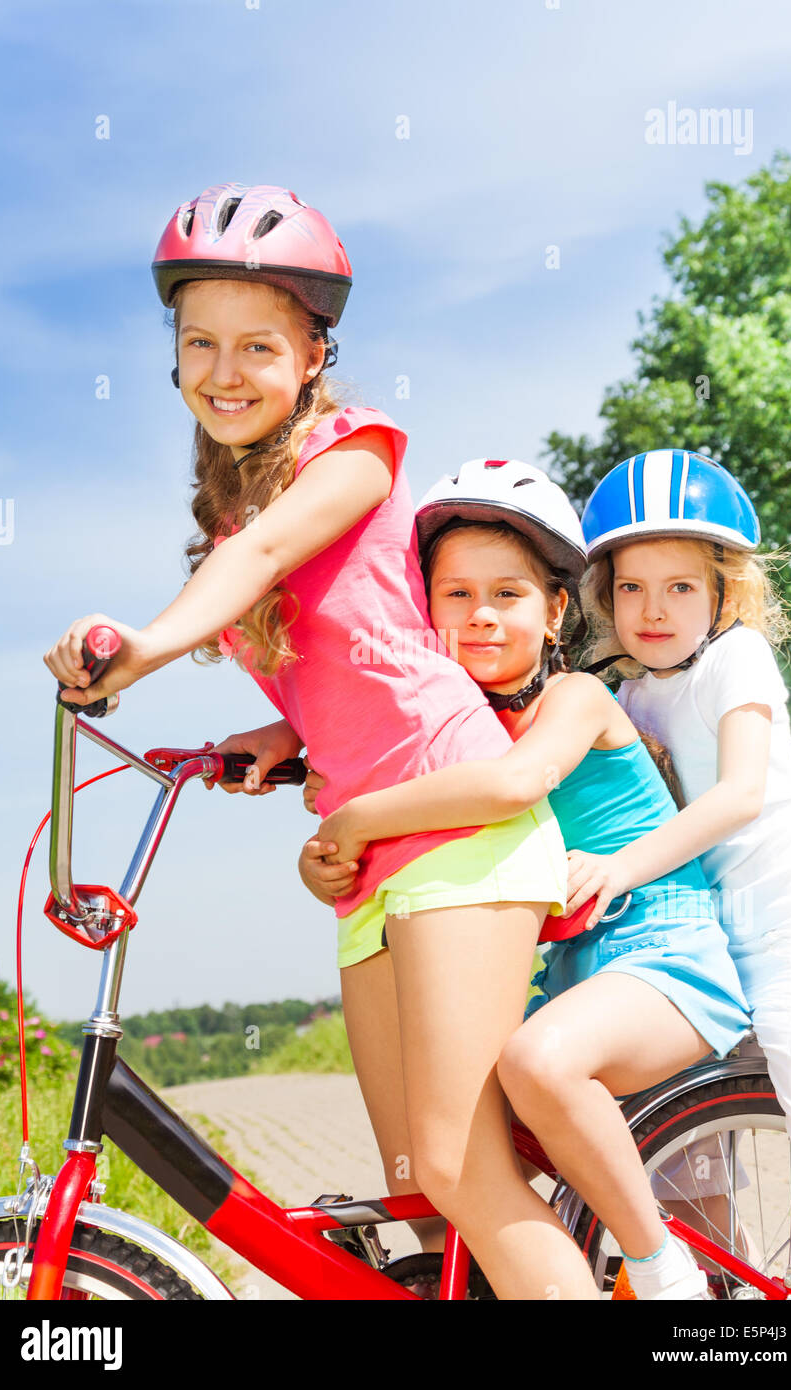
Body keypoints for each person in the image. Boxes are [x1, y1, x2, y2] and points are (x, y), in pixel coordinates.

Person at [42, 183, 599, 1300]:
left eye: (258, 343)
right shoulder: (230, 511)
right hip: (366, 874)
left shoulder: (356, 453)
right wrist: (274, 736)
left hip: (450, 823)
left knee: (458, 1166)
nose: (224, 370)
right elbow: (345, 659)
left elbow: (251, 574)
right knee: (412, 1189)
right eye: (198, 342)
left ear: (312, 352)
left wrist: (141, 647)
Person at [303, 457, 752, 1300]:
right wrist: (320, 836)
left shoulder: (578, 697)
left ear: (553, 614)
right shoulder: (454, 727)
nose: (480, 617)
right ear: (424, 613)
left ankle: (663, 1270)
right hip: (571, 978)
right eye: (456, 595)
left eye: (507, 596)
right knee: (453, 1148)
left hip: (664, 960)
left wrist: (356, 818)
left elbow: (513, 784)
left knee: (535, 1064)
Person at [577, 447, 791, 1217]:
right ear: (606, 596)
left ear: (725, 594)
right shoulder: (625, 694)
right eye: (632, 588)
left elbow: (737, 796)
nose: (654, 611)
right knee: (687, 1139)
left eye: (680, 588)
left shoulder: (737, 657)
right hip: (713, 940)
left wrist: (615, 869)